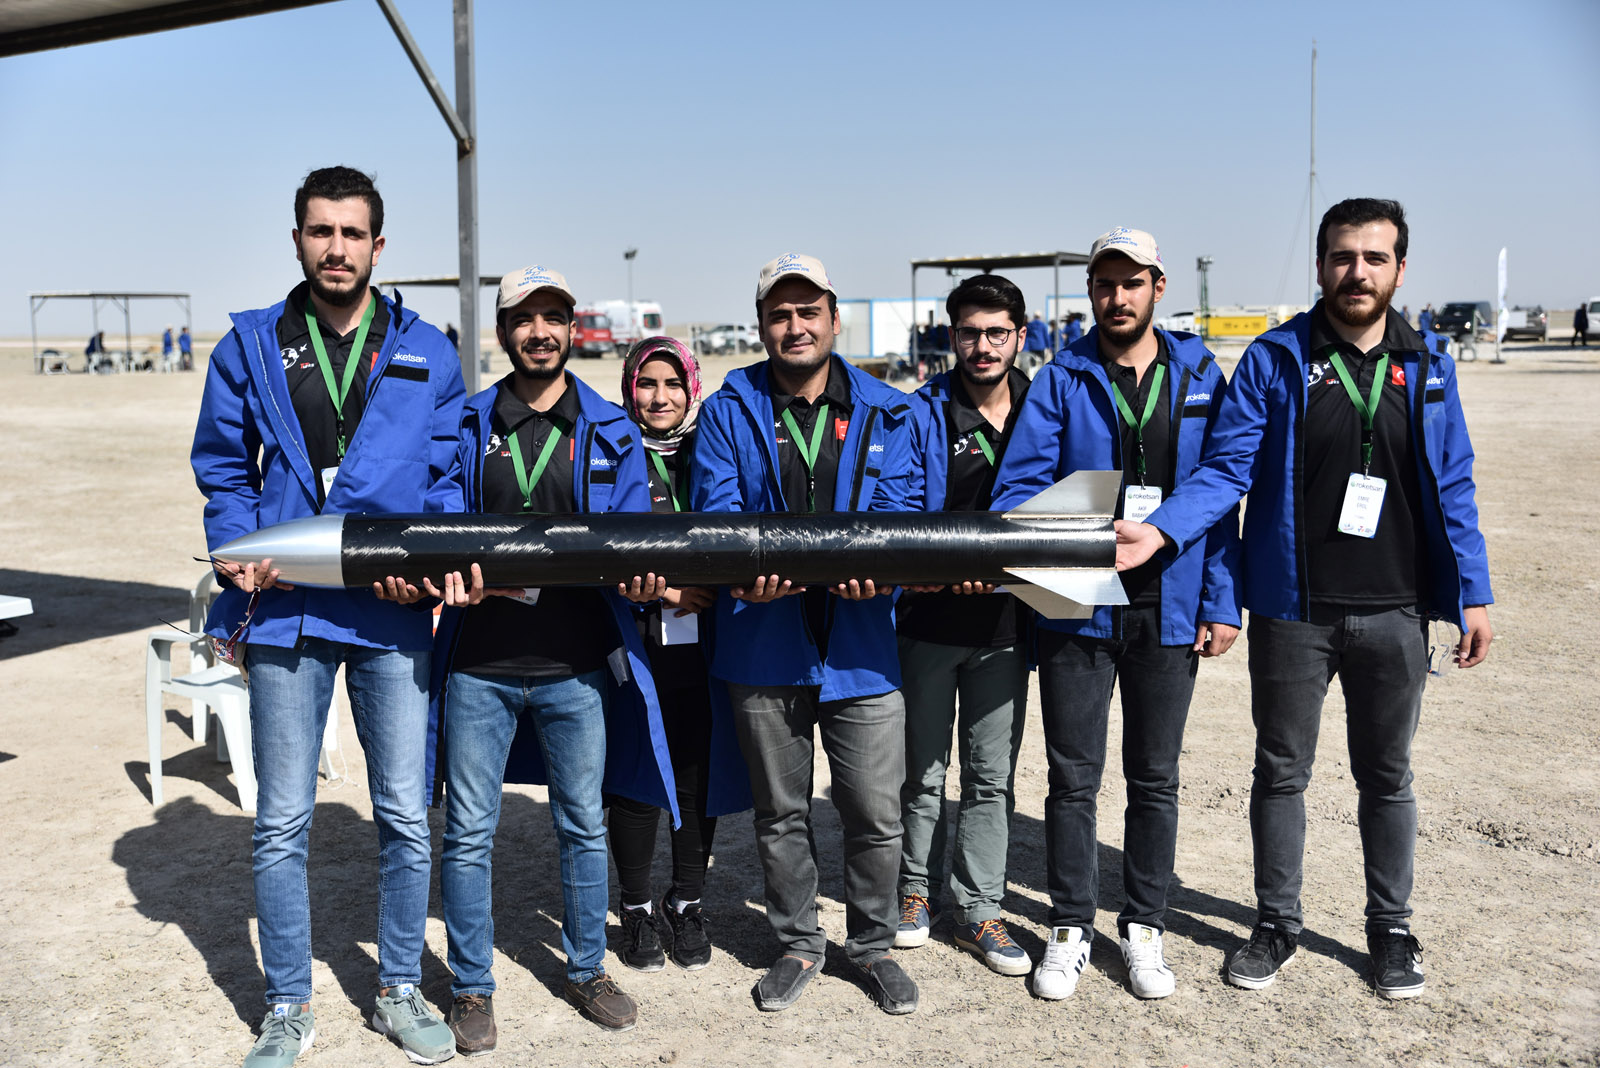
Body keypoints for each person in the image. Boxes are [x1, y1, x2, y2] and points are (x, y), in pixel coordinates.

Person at [1116, 198, 1494, 1000]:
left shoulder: (1427, 365)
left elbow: (1453, 480)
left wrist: (1474, 592)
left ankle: (1390, 930)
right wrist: (1165, 532)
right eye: (1342, 256)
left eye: (1374, 257)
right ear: (1320, 265)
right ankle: (1276, 923)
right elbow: (1225, 470)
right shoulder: (1274, 359)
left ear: (1398, 268)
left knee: (1386, 776)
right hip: (1294, 612)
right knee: (1281, 772)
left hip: (1395, 609)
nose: (1357, 271)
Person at [191, 165, 466, 1067]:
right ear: (298, 238)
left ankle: (396, 986)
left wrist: (421, 570)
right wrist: (239, 549)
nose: (336, 248)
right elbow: (225, 466)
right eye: (321, 232)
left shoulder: (426, 346)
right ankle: (287, 1006)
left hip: (389, 615)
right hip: (285, 610)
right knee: (281, 820)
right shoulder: (254, 343)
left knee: (402, 812)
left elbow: (451, 479)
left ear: (378, 246)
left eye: (353, 234)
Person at [415, 266, 673, 1049]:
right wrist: (447, 574)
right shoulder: (461, 425)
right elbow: (433, 519)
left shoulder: (609, 427)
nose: (540, 331)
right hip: (479, 668)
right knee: (466, 832)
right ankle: (469, 987)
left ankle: (587, 967)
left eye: (554, 316)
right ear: (502, 333)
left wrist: (645, 577)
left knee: (582, 827)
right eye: (524, 318)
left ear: (571, 326)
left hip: (578, 670)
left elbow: (634, 535)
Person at [992, 228, 1241, 1001]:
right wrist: (1091, 539)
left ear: (1158, 287)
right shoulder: (1061, 378)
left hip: (1169, 607)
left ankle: (1144, 925)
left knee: (1155, 778)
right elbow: (1017, 493)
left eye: (1132, 282)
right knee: (1072, 779)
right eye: (1105, 283)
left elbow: (1224, 483)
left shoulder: (1200, 370)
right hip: (1077, 608)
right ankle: (1070, 926)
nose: (1117, 296)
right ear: (1092, 291)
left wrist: (1219, 598)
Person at [690, 253, 921, 1015]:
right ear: (761, 326)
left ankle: (873, 945)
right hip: (764, 640)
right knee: (780, 812)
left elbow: (901, 516)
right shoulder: (729, 409)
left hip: (862, 648)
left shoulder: (892, 409)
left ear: (833, 317)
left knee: (875, 811)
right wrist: (746, 570)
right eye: (779, 314)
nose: (795, 326)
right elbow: (720, 514)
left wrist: (877, 571)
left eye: (807, 310)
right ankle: (798, 942)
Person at [892, 274, 1033, 978]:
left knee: (989, 776)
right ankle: (913, 892)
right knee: (921, 771)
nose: (983, 346)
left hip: (1006, 628)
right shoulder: (922, 413)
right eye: (970, 333)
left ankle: (979, 909)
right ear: (952, 338)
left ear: (1020, 337)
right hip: (927, 622)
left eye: (996, 333)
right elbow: (903, 519)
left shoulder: (1046, 410)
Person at [608, 336, 753, 975]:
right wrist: (661, 588)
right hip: (632, 644)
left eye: (672, 384)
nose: (660, 397)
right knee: (638, 778)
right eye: (647, 384)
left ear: (692, 388)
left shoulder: (710, 451)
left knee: (697, 774)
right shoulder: (609, 451)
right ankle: (635, 907)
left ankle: (687, 899)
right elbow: (591, 541)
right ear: (628, 388)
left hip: (703, 643)